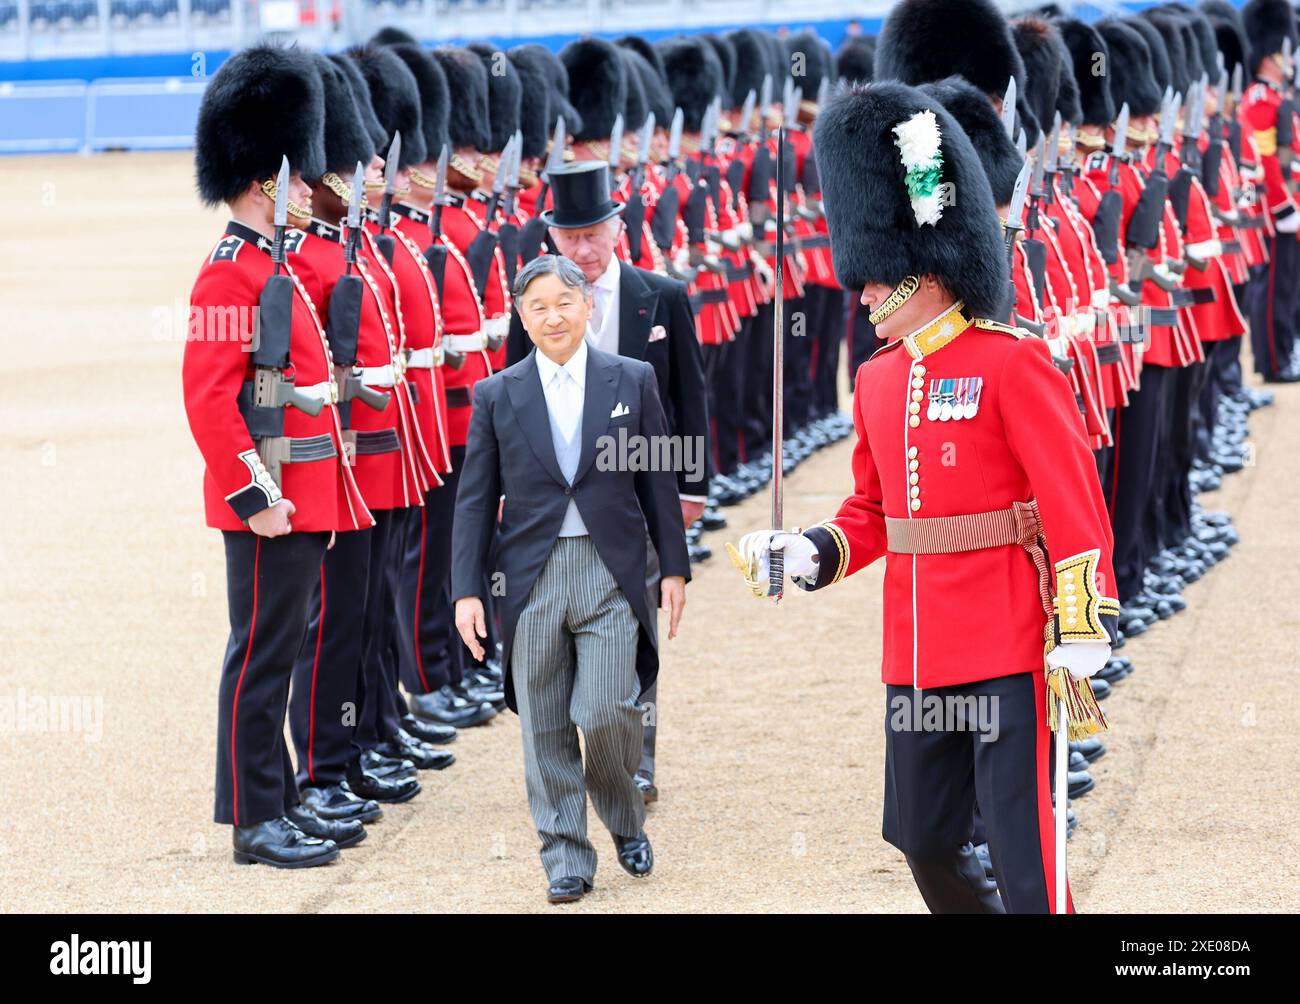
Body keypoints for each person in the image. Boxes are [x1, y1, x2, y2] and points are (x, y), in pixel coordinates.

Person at [730, 80, 1119, 913]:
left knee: (1026, 850)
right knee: (923, 836)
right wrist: (809, 551)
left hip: (1010, 642)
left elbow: (1070, 496)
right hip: (914, 650)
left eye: (876, 279)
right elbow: (872, 511)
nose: (863, 293)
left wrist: (1083, 622)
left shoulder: (1012, 362)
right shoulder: (874, 380)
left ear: (926, 274)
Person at [184, 44, 374, 867]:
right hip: (269, 499)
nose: (309, 190)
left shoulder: (276, 266)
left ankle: (282, 797)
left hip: (302, 489)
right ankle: (254, 822)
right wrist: (255, 495)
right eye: (298, 178)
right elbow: (208, 400)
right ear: (264, 178)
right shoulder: (227, 275)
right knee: (261, 655)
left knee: (285, 648)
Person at [452, 254, 689, 904]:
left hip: (612, 572)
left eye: (565, 302)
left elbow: (657, 481)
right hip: (529, 581)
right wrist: (467, 591)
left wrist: (674, 567)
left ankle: (622, 815)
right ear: (523, 320)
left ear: (590, 307)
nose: (553, 316)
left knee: (605, 709)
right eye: (538, 307)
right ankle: (565, 856)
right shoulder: (497, 394)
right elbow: (474, 500)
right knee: (545, 723)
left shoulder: (632, 379)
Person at [505, 160, 709, 803]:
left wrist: (692, 486)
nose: (583, 249)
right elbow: (513, 401)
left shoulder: (664, 297)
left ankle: (634, 761)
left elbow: (690, 399)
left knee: (636, 630)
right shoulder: (535, 307)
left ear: (618, 229)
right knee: (556, 637)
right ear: (551, 240)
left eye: (594, 233)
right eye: (569, 238)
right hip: (554, 503)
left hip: (636, 498)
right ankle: (565, 762)